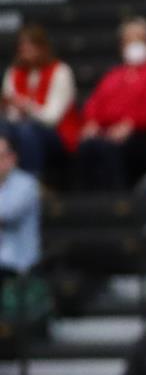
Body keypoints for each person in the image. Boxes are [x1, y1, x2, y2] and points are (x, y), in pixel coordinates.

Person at [74, 18, 146, 191]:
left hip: (142, 136)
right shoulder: (114, 74)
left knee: (113, 148)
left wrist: (131, 124)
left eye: (139, 39)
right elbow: (95, 103)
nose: (134, 44)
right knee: (87, 146)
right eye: (129, 40)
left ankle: (118, 197)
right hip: (108, 132)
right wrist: (92, 123)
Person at [4, 25, 78, 180]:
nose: (25, 50)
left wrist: (27, 107)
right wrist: (15, 109)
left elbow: (52, 118)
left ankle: (31, 182)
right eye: (22, 46)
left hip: (56, 133)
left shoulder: (61, 71)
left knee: (27, 130)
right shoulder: (13, 72)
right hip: (19, 127)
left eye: (30, 45)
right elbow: (10, 113)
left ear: (42, 47)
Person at [0, 136, 39, 278]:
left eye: (0, 156)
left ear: (12, 157)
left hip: (17, 265)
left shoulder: (26, 184)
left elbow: (8, 214)